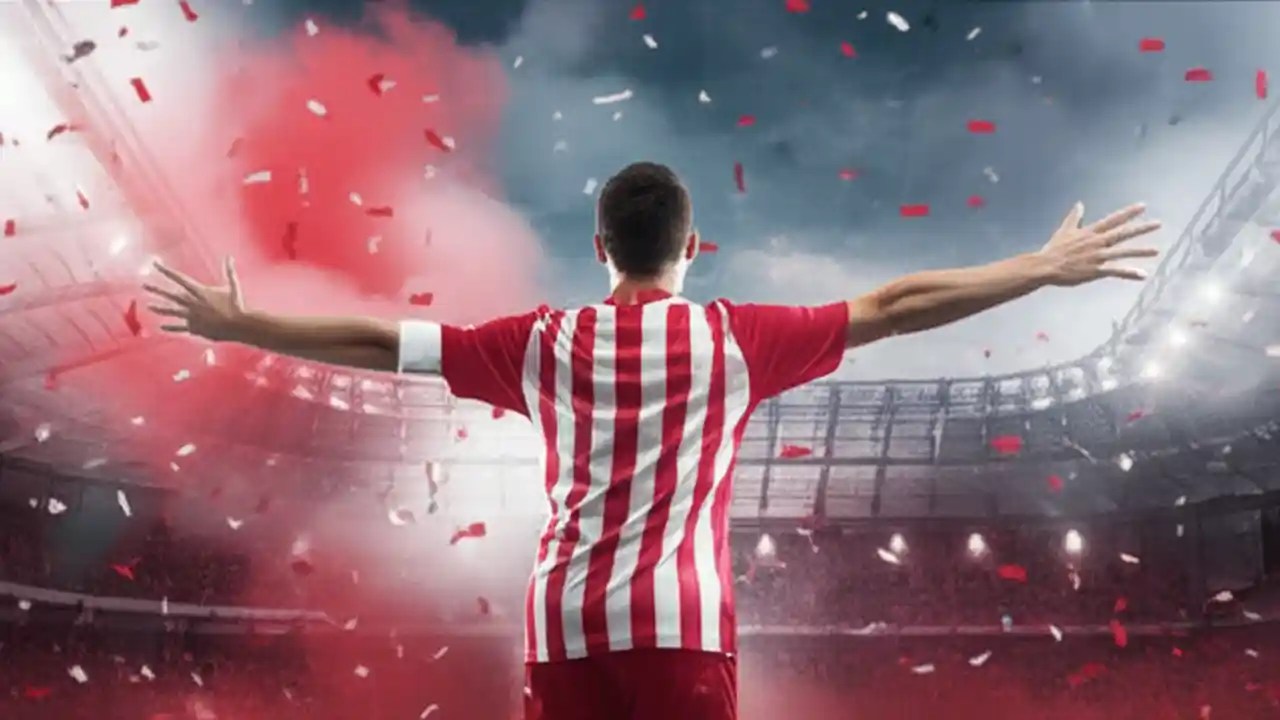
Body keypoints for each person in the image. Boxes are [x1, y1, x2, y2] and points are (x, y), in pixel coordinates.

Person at [144, 161, 1160, 719]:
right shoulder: (736, 339)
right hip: (680, 629)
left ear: (598, 249)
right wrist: (1039, 266)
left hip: (566, 624)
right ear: (691, 246)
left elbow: (382, 339)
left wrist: (246, 324)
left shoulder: (538, 343)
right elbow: (896, 304)